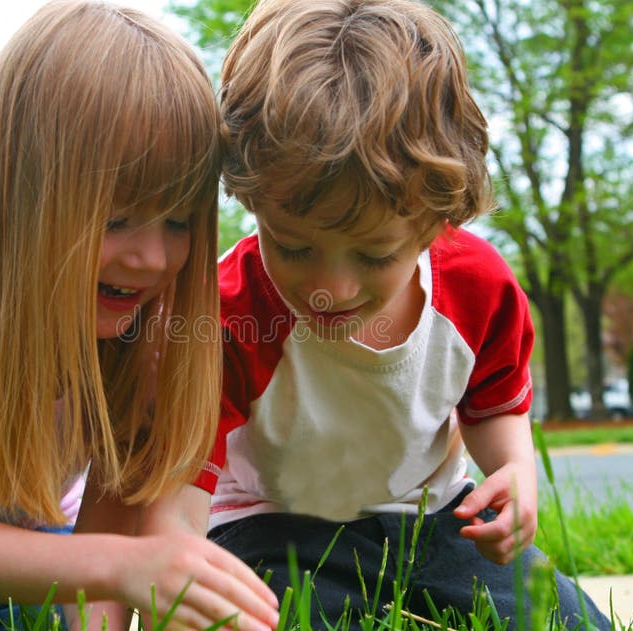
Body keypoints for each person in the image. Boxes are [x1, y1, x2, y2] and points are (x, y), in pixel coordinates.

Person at [204, 0, 611, 629]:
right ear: (252, 197)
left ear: (434, 220)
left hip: (433, 518)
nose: (330, 288)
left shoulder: (476, 288)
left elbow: (495, 402)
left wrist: (514, 474)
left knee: (567, 620)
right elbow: (181, 480)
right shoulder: (232, 310)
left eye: (373, 254)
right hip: (271, 525)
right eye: (293, 246)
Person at [0, 2, 279, 630]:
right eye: (116, 220)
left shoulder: (149, 335)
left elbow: (102, 544)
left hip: (53, 539)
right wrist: (120, 564)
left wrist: (115, 575)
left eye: (176, 221)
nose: (151, 259)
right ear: (20, 197)